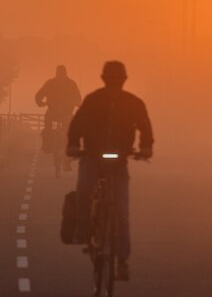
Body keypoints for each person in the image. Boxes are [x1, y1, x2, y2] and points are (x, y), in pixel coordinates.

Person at [66, 60, 154, 281]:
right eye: (111, 80)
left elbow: (145, 127)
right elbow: (77, 123)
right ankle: (83, 228)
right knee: (84, 189)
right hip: (92, 157)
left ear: (124, 81)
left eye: (118, 80)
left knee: (122, 211)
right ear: (104, 80)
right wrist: (73, 144)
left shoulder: (134, 103)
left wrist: (146, 147)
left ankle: (122, 260)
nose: (114, 84)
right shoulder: (92, 101)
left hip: (119, 162)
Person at [34, 65, 81, 168]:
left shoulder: (51, 83)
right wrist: (40, 102)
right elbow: (39, 95)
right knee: (53, 125)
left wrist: (41, 102)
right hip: (59, 112)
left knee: (64, 128)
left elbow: (78, 98)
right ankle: (48, 143)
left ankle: (50, 144)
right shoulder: (70, 83)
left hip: (59, 112)